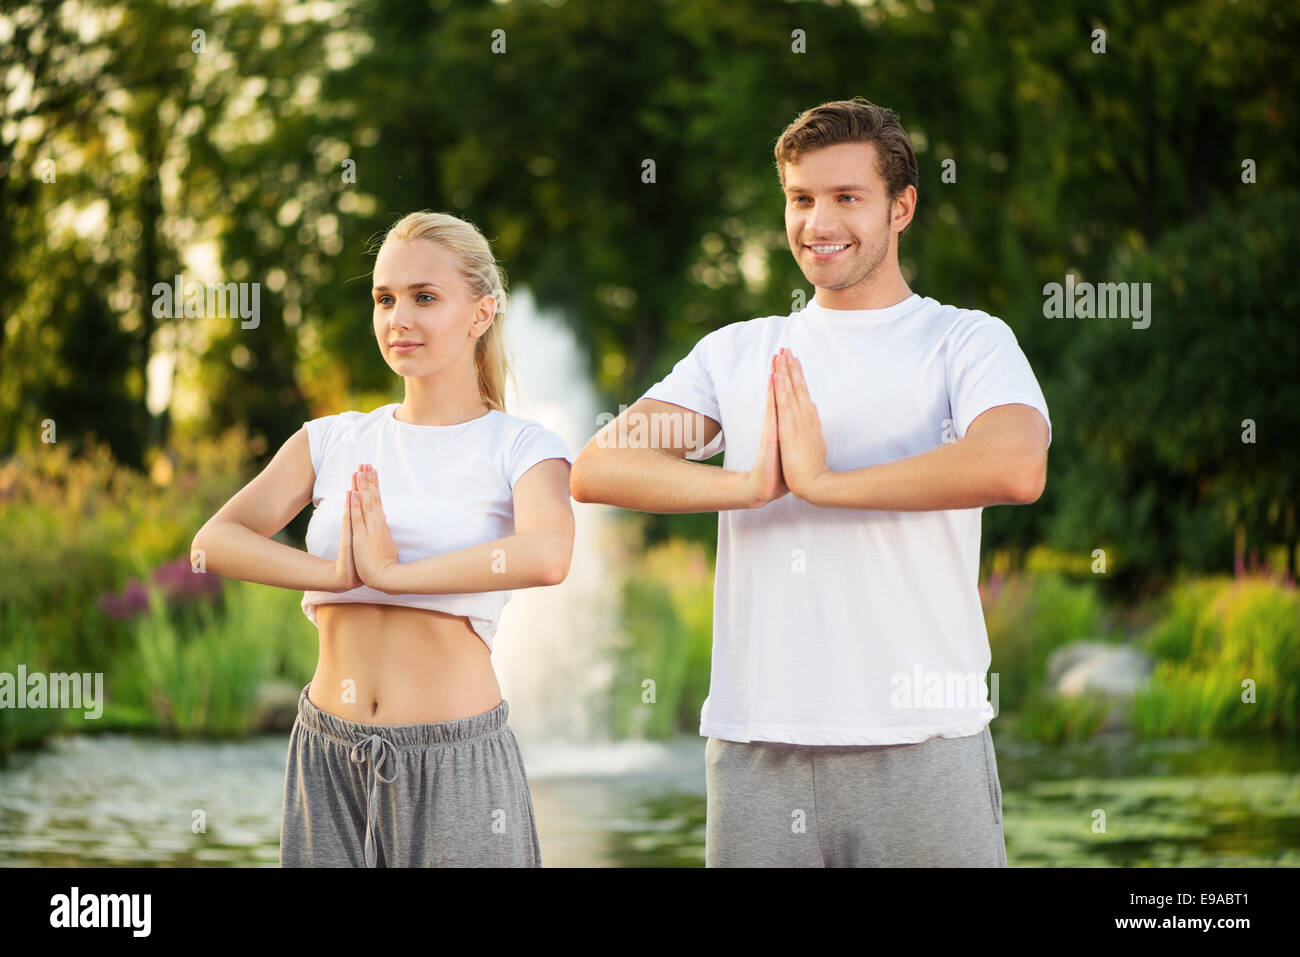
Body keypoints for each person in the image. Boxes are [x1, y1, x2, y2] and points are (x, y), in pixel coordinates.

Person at [570, 97, 1051, 867]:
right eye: (801, 198)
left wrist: (826, 481)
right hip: (759, 748)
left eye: (846, 197)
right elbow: (600, 465)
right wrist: (751, 485)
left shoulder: (965, 340)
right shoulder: (736, 352)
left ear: (903, 206)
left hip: (922, 744)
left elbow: (1015, 462)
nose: (818, 222)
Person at [191, 211, 575, 867]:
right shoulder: (332, 438)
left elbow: (548, 554)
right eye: (385, 297)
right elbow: (213, 541)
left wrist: (395, 574)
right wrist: (336, 574)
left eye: (425, 297)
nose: (400, 317)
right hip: (326, 752)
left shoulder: (521, 445)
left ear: (481, 312)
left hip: (453, 760)